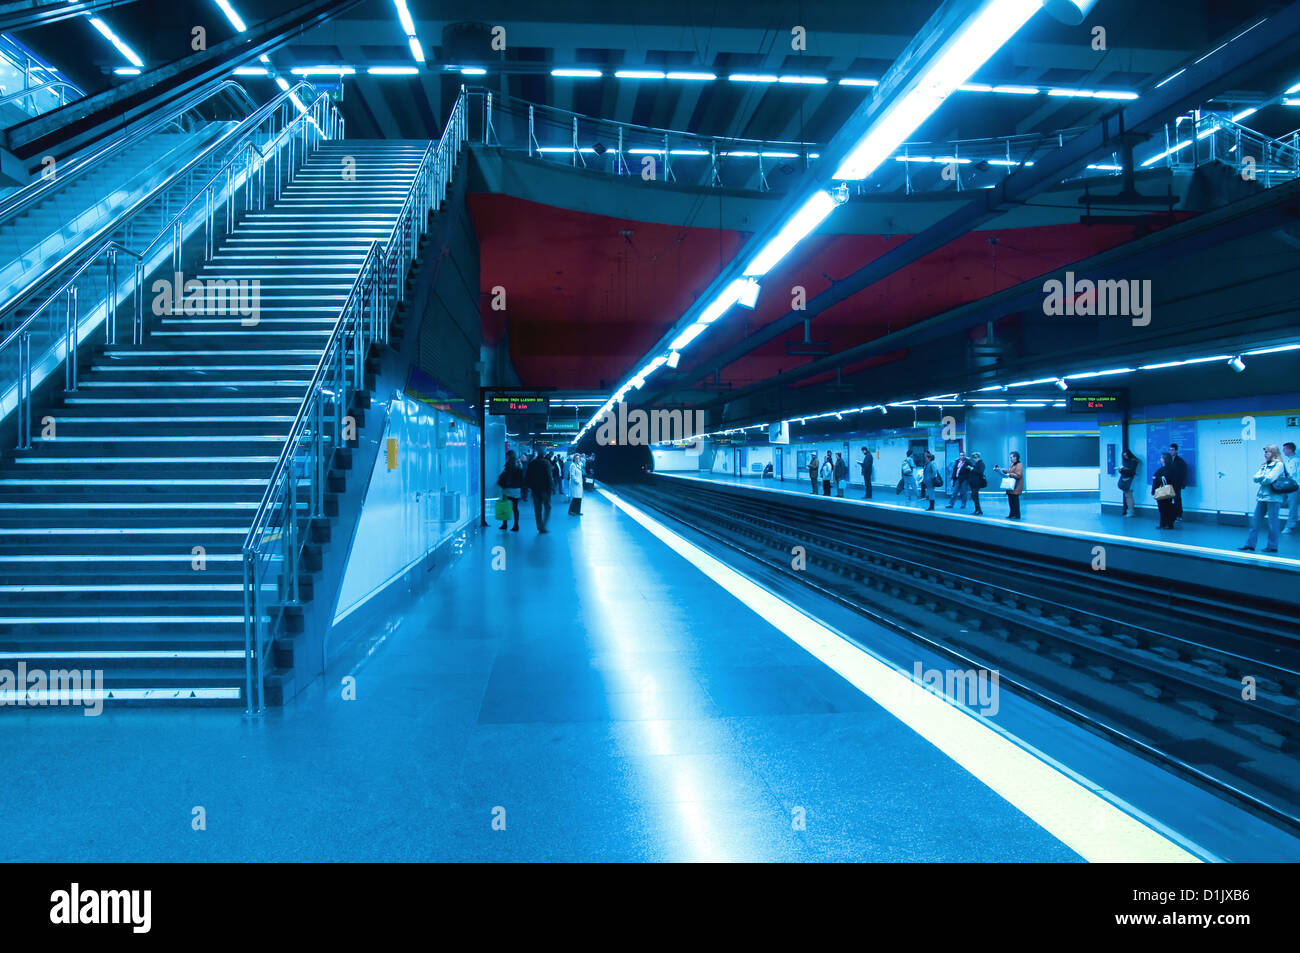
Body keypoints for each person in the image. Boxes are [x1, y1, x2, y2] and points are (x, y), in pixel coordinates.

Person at [1240, 444, 1287, 553]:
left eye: (1268, 452)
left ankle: (1272, 546)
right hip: (1262, 497)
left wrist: (1262, 479)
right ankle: (1250, 544)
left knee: (1273, 523)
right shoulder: (1264, 465)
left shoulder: (1279, 465)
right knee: (1255, 522)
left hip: (1274, 498)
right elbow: (1255, 477)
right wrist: (1263, 478)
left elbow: (1270, 479)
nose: (1265, 454)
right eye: (1265, 452)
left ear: (1274, 453)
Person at [524, 450, 553, 532]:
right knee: (547, 507)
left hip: (535, 489)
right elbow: (549, 476)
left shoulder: (532, 463)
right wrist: (552, 487)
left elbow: (527, 476)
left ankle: (539, 526)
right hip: (545, 489)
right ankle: (543, 525)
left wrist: (529, 486)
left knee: (537, 508)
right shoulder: (546, 463)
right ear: (543, 455)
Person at [496, 450, 522, 531]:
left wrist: (504, 484)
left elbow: (506, 477)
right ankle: (516, 525)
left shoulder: (509, 465)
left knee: (505, 506)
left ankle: (504, 524)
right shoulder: (519, 464)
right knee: (515, 508)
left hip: (508, 489)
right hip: (516, 489)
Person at [993, 451, 1024, 520]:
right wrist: (1002, 470)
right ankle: (1012, 514)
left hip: (1016, 486)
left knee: (1015, 501)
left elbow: (1018, 475)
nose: (1010, 458)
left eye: (1011, 457)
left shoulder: (1019, 465)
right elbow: (1011, 472)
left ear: (1016, 457)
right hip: (1011, 486)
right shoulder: (1013, 464)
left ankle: (1017, 515)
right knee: (1011, 500)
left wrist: (1009, 474)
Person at [1151, 452, 1177, 530]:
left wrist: (1156, 478)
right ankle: (1163, 523)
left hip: (1165, 491)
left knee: (1166, 508)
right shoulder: (1163, 468)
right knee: (1162, 508)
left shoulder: (1169, 468)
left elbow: (1166, 478)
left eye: (1162, 458)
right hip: (1162, 491)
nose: (1161, 459)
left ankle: (1169, 524)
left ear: (1165, 460)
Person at [1167, 443, 1188, 522]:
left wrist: (1183, 483)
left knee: (1177, 499)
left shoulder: (1180, 461)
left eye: (1172, 450)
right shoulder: (1168, 460)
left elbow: (1183, 472)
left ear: (1176, 451)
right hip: (1169, 483)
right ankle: (1170, 515)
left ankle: (1179, 515)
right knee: (1168, 499)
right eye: (1170, 450)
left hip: (1176, 483)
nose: (1170, 451)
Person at [1118, 448, 1141, 517]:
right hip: (1126, 479)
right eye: (1124, 456)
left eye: (1126, 455)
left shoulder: (1133, 461)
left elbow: (1132, 471)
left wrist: (1123, 470)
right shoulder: (1127, 461)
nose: (1126, 457)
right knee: (1127, 495)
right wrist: (1121, 470)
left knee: (1129, 496)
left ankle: (1130, 511)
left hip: (1130, 480)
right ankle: (1130, 511)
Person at [1282, 442, 1299, 535]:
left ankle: (1290, 526)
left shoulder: (1296, 461)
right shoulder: (1287, 461)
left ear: (1290, 450)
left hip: (1295, 487)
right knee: (1280, 501)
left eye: (1284, 449)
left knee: (1293, 506)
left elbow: (1293, 475)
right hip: (1287, 487)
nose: (1283, 451)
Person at [968, 451, 986, 516]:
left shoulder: (981, 464)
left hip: (977, 483)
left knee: (975, 496)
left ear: (977, 457)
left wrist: (972, 469)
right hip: (974, 482)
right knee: (974, 496)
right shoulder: (977, 463)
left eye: (974, 458)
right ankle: (977, 509)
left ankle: (979, 510)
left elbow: (980, 472)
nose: (974, 460)